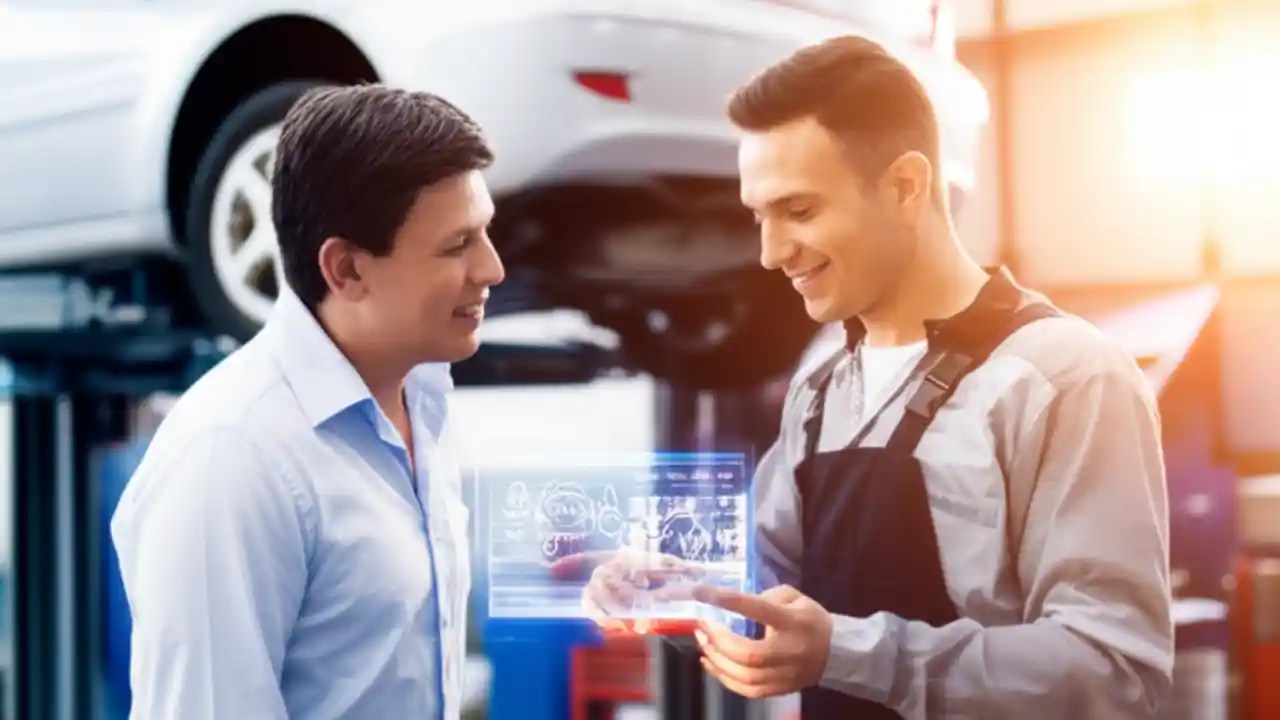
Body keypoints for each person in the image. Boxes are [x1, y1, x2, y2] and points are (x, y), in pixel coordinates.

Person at [585, 36, 1172, 719]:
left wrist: (848, 653)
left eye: (799, 211)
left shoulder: (1064, 377)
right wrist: (676, 593)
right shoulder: (822, 392)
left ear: (905, 186)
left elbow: (1113, 673)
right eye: (759, 217)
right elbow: (765, 588)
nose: (771, 254)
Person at [110, 85, 504, 719]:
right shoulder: (234, 457)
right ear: (345, 269)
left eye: (485, 232)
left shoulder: (421, 405)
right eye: (458, 245)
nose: (493, 268)